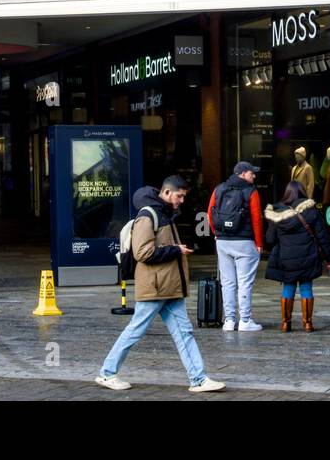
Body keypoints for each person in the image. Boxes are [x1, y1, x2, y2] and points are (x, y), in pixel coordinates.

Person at [95, 176, 225, 393]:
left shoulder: (164, 214)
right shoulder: (148, 216)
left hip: (168, 287)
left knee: (184, 332)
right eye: (179, 196)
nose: (182, 200)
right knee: (136, 330)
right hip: (156, 288)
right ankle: (107, 373)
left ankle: (198, 379)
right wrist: (176, 249)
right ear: (166, 193)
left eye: (184, 196)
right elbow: (142, 252)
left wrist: (176, 248)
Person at [264, 181, 330, 332]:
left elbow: (269, 239)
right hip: (308, 256)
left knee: (288, 286)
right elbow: (322, 236)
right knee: (306, 287)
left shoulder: (277, 213)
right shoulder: (311, 211)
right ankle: (307, 323)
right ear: (303, 192)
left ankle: (285, 323)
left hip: (286, 258)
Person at [207, 161, 264, 332]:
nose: (254, 175)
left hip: (223, 241)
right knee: (245, 282)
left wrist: (216, 233)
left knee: (228, 282)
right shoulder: (251, 191)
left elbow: (210, 212)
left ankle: (229, 321)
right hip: (245, 241)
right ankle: (245, 320)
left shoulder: (219, 189)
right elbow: (256, 219)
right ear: (243, 173)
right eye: (251, 172)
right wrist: (259, 243)